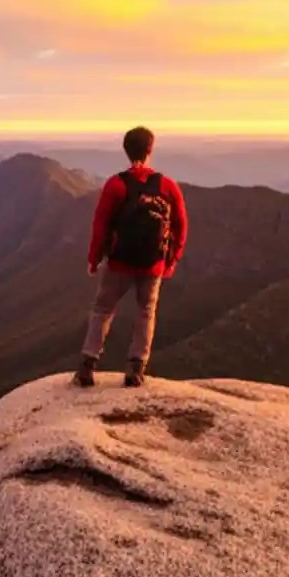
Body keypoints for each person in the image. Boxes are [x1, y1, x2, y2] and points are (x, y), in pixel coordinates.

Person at [74, 126, 188, 388]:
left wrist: (94, 260)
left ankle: (88, 365)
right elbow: (181, 224)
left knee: (103, 310)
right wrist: (172, 260)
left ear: (126, 150)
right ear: (150, 149)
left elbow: (100, 225)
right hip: (153, 264)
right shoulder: (167, 185)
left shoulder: (116, 184)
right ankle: (135, 369)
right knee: (146, 311)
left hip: (119, 262)